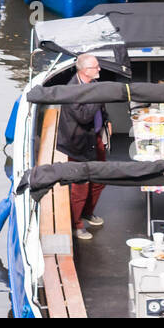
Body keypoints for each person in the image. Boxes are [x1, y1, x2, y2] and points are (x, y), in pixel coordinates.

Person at [56, 54, 111, 241]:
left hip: (94, 138)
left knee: (99, 179)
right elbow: (84, 117)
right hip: (79, 143)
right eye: (96, 67)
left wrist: (106, 120)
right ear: (85, 71)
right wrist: (98, 94)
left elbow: (99, 109)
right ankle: (76, 224)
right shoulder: (72, 90)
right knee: (81, 186)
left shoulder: (93, 85)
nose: (99, 70)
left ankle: (88, 212)